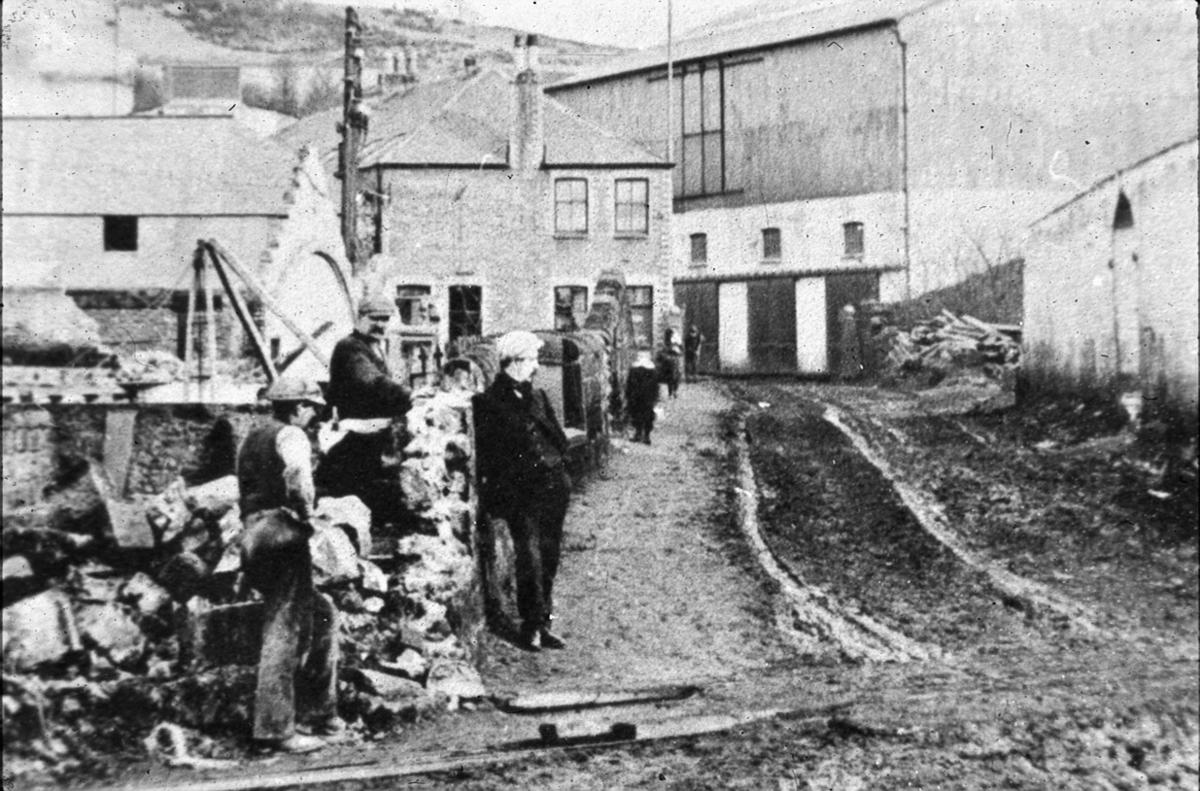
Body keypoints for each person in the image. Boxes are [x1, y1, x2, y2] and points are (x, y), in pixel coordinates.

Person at [237, 377, 343, 754]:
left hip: (253, 535)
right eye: (310, 407)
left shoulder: (253, 435)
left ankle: (319, 712)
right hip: (281, 531)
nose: (314, 414)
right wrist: (308, 514)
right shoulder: (291, 435)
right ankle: (276, 728)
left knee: (322, 612)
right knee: (283, 627)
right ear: (296, 407)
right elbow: (298, 479)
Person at [473, 330, 571, 652]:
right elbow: (489, 457)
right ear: (513, 362)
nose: (537, 367)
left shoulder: (539, 397)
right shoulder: (488, 403)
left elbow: (558, 437)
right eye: (532, 360)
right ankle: (530, 626)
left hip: (553, 490)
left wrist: (558, 467)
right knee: (529, 558)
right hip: (521, 495)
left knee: (550, 556)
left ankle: (544, 623)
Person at [318, 295, 413, 526]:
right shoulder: (350, 347)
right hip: (356, 435)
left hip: (372, 435)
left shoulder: (372, 347)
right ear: (360, 318)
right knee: (354, 495)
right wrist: (408, 395)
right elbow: (372, 382)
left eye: (385, 319)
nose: (381, 325)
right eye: (375, 319)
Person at [625, 349, 659, 444]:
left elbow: (629, 384)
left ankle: (638, 434)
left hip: (636, 396)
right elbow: (655, 386)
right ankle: (646, 436)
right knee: (647, 416)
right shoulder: (652, 369)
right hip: (647, 397)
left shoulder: (634, 369)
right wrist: (655, 397)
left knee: (637, 414)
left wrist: (628, 395)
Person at [657, 328, 683, 398]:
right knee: (671, 378)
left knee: (677, 377)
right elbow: (662, 352)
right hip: (669, 362)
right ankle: (671, 393)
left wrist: (678, 348)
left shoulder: (676, 340)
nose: (672, 335)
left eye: (672, 334)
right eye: (670, 334)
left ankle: (675, 391)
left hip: (676, 361)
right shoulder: (665, 342)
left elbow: (681, 349)